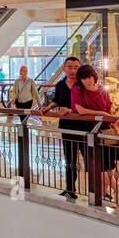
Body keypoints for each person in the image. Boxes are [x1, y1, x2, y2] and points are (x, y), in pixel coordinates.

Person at [71, 64, 119, 204]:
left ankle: (102, 195)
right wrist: (101, 113)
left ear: (94, 76)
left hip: (105, 130)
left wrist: (111, 121)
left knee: (107, 165)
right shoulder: (77, 90)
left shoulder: (103, 91)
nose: (87, 81)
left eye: (89, 77)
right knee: (96, 165)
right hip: (89, 131)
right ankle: (116, 189)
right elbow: (80, 110)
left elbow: (110, 111)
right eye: (83, 78)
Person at [43, 56, 84, 198]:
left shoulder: (83, 84)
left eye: (76, 67)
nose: (73, 70)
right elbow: (57, 101)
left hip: (85, 127)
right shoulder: (60, 85)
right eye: (70, 67)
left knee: (89, 158)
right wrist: (49, 106)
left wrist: (71, 110)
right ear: (64, 68)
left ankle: (98, 191)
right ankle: (70, 189)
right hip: (67, 126)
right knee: (70, 159)